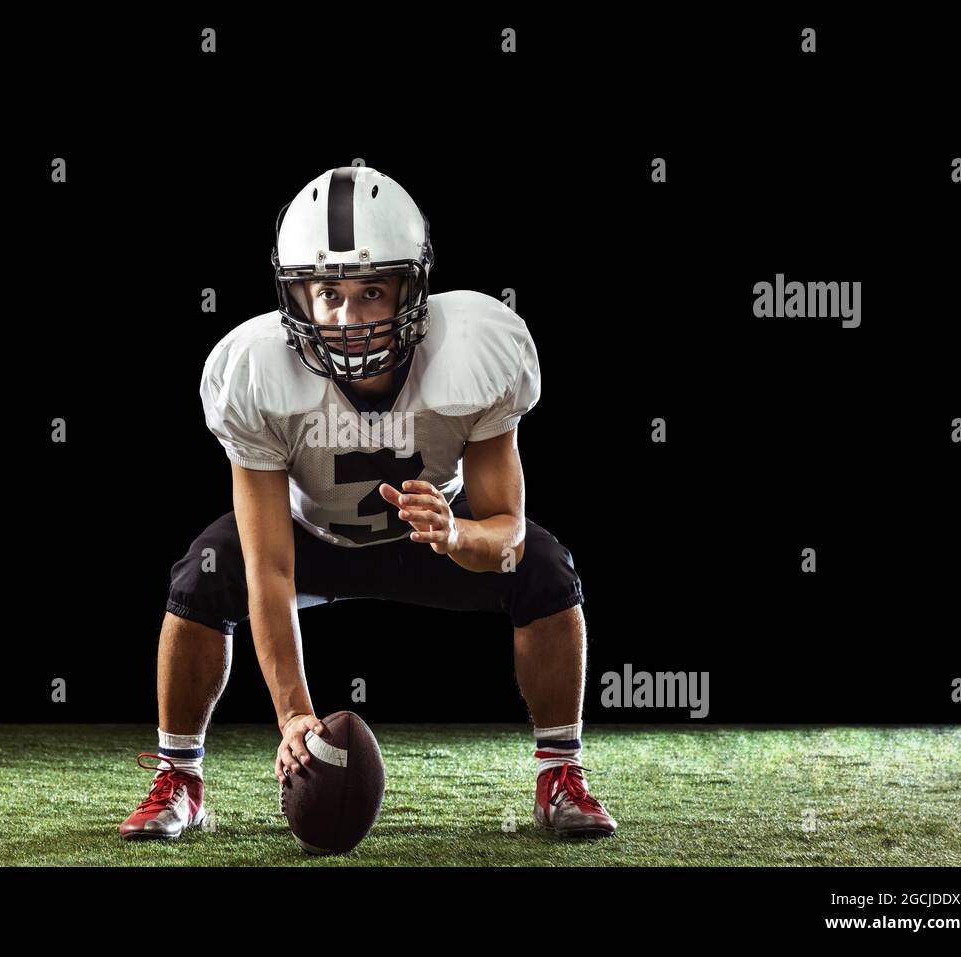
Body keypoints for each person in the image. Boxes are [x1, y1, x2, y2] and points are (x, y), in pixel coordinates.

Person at [121, 166, 615, 842]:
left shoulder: (473, 351)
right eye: (329, 292)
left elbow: (506, 533)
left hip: (428, 531)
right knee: (203, 571)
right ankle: (180, 776)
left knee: (548, 569)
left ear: (413, 289)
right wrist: (295, 713)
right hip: (307, 535)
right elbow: (269, 569)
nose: (348, 319)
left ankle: (561, 772)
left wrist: (457, 533)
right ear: (297, 293)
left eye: (372, 292)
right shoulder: (257, 369)